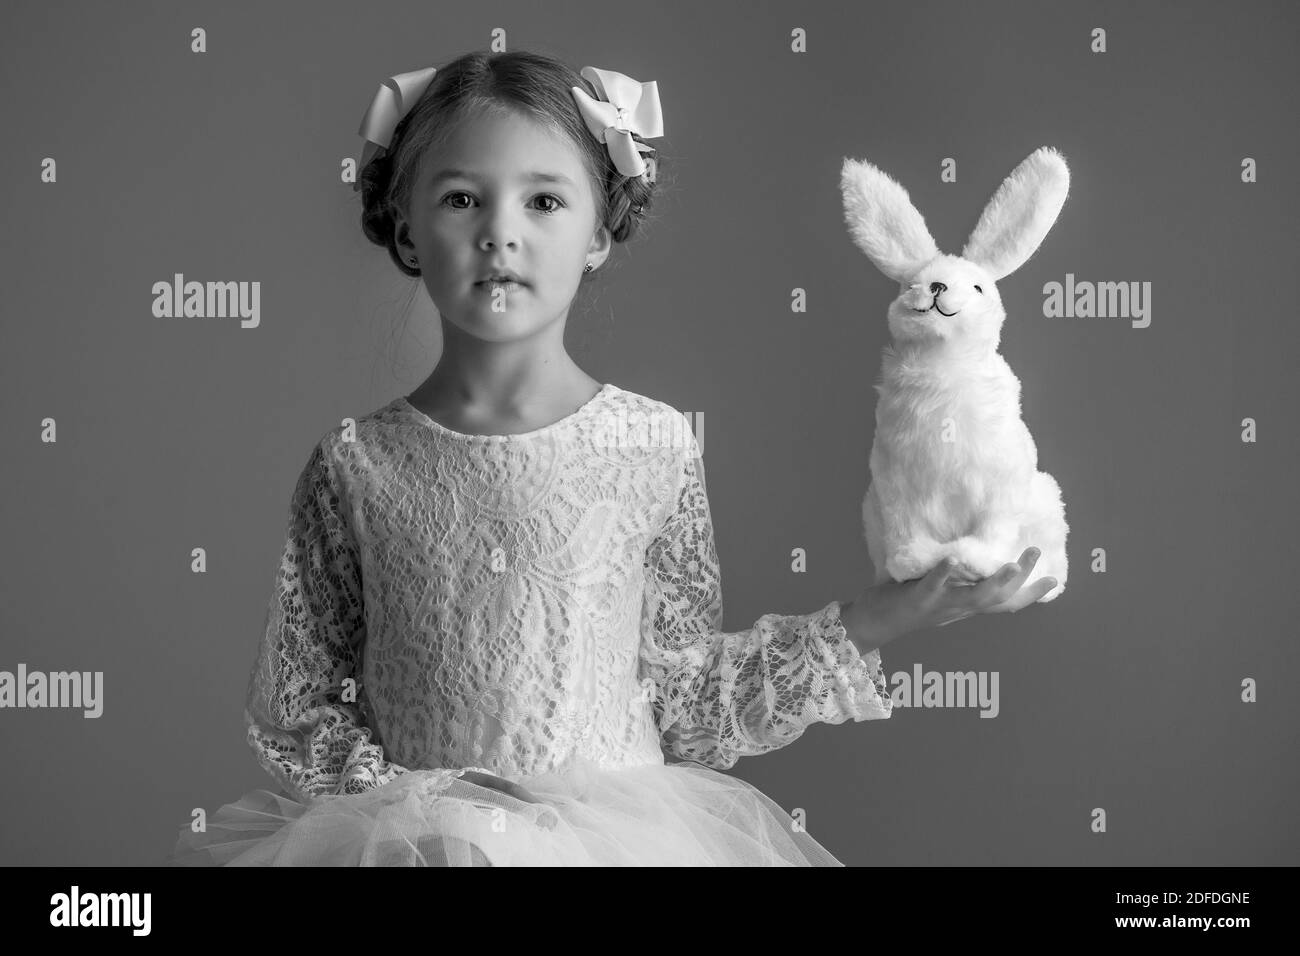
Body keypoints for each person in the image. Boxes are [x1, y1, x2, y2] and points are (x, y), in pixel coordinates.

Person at [170, 49, 1056, 867]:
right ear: (405, 231)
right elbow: (300, 708)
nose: (500, 233)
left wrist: (881, 616)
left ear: (599, 232)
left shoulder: (653, 445)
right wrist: (423, 809)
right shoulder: (355, 464)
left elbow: (683, 702)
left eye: (544, 200)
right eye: (460, 199)